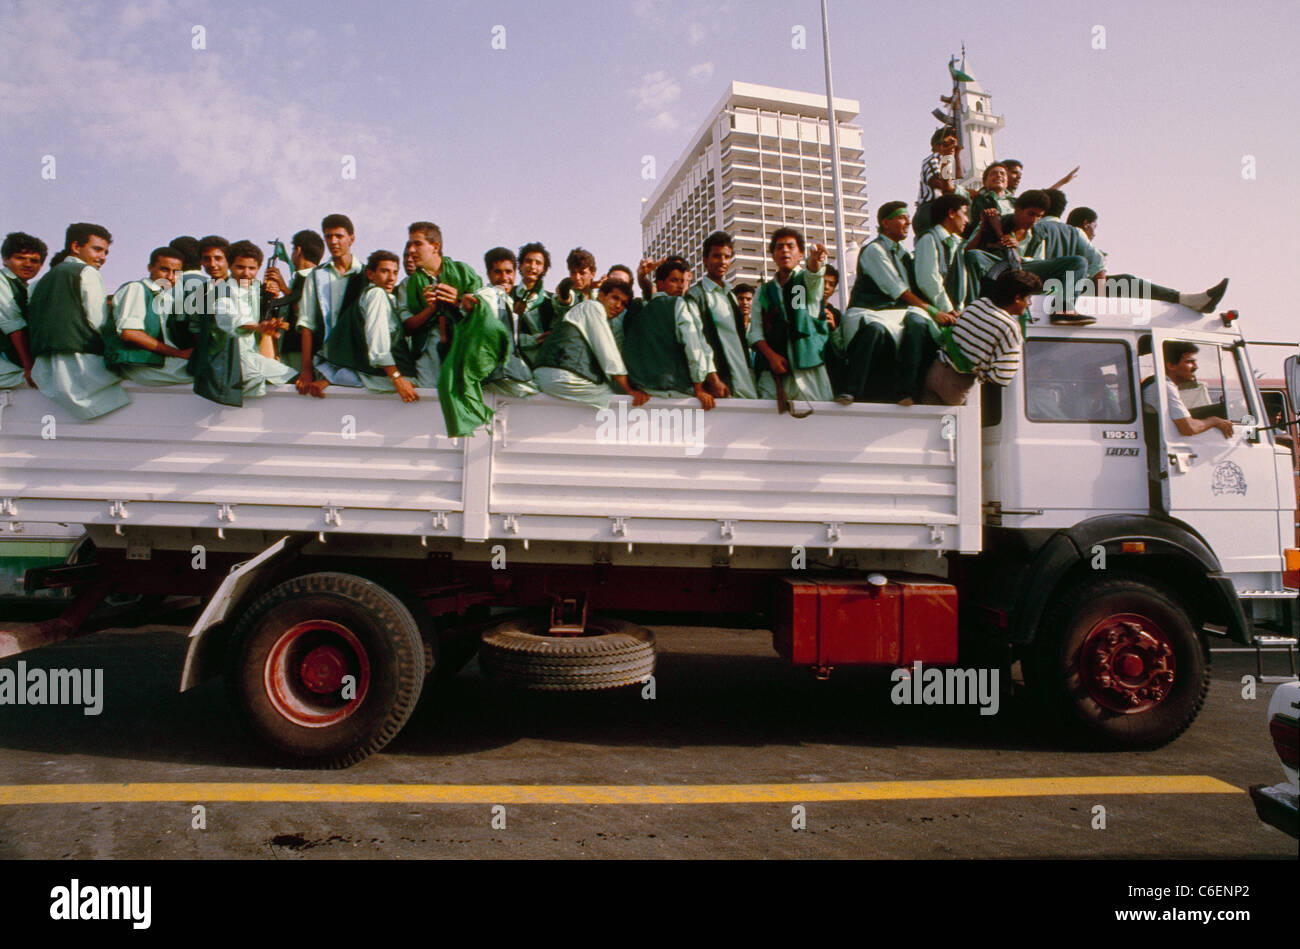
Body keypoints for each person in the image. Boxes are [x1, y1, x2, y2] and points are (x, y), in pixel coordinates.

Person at [838, 202, 950, 405]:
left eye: (908, 217)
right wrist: (934, 311)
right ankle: (850, 389)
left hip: (896, 314)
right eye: (902, 217)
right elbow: (898, 289)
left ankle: (907, 391)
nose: (907, 221)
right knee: (875, 330)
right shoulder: (874, 250)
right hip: (869, 311)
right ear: (886, 223)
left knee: (918, 326)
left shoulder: (905, 255)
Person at [26, 223, 129, 419]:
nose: (103, 257)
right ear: (75, 246)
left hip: (44, 368)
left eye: (106, 252)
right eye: (97, 249)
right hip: (82, 364)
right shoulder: (87, 272)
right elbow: (97, 321)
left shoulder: (38, 283)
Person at [963, 190, 1092, 324]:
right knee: (974, 256)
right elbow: (967, 251)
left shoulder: (1038, 233)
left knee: (1079, 262)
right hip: (997, 269)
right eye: (1030, 214)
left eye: (1039, 216)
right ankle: (974, 309)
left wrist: (1017, 253)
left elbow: (1038, 263)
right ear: (1018, 209)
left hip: (1024, 271)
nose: (1034, 220)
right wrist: (984, 226)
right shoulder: (996, 222)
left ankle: (1063, 308)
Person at [1065, 208, 1228, 313]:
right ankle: (1185, 299)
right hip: (1070, 289)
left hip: (1064, 287)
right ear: (1086, 224)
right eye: (1094, 226)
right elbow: (1100, 285)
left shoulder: (1061, 236)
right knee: (1127, 282)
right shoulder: (1079, 239)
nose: (1094, 232)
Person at [919, 269, 1043, 406]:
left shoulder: (979, 304)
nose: (1029, 303)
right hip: (957, 384)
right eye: (1028, 298)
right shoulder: (1010, 327)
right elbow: (1002, 377)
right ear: (1017, 298)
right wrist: (983, 373)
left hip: (935, 369)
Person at [749, 227, 833, 416]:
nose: (785, 251)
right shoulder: (764, 292)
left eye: (790, 246)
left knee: (820, 420)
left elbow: (812, 280)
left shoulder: (801, 284)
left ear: (800, 253)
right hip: (775, 369)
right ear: (773, 255)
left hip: (807, 364)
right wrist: (772, 357)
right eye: (779, 247)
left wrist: (814, 262)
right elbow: (755, 332)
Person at [318, 250, 418, 402]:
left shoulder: (382, 297)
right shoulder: (376, 294)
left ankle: (336, 377)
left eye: (395, 273)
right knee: (422, 384)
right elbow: (377, 343)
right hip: (379, 376)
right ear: (371, 274)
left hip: (369, 373)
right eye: (384, 271)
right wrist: (397, 379)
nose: (391, 278)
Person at [622, 255, 721, 409]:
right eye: (674, 281)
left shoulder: (639, 310)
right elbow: (693, 346)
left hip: (644, 394)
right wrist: (699, 388)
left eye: (682, 281)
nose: (680, 286)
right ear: (660, 284)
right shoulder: (678, 304)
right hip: (676, 393)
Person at [534, 279, 647, 410]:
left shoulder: (582, 311)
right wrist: (630, 390)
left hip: (545, 375)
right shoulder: (593, 307)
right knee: (615, 399)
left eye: (623, 304)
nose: (618, 306)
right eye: (615, 298)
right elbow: (608, 354)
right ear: (601, 295)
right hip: (564, 377)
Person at [397, 221, 481, 389]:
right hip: (428, 355)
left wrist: (456, 302)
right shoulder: (408, 284)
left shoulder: (464, 272)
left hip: (462, 350)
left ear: (435, 246)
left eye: (417, 244)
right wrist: (432, 309)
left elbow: (483, 314)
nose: (411, 250)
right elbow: (406, 326)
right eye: (410, 244)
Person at [219, 241, 298, 396]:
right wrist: (258, 327)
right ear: (229, 265)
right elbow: (232, 318)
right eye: (240, 267)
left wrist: (271, 294)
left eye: (252, 268)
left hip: (255, 354)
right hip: (234, 356)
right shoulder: (221, 292)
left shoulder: (255, 288)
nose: (246, 273)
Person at [105, 246, 193, 385]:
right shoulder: (136, 289)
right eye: (164, 270)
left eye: (176, 272)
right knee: (205, 372)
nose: (170, 277)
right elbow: (130, 333)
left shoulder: (164, 297)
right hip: (137, 364)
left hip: (154, 360)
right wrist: (178, 354)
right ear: (150, 267)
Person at [684, 230, 756, 399]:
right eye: (717, 256)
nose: (723, 261)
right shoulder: (696, 295)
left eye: (727, 256)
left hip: (744, 382)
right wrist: (713, 378)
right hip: (720, 384)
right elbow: (697, 342)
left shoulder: (730, 294)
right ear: (705, 260)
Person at [297, 213, 364, 396]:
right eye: (328, 236)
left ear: (351, 239)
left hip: (357, 364)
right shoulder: (316, 276)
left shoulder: (366, 275)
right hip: (324, 363)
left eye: (339, 236)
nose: (333, 241)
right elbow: (307, 324)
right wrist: (306, 369)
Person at [478, 246, 539, 398]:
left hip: (503, 375)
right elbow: (480, 301)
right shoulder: (490, 293)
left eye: (508, 272)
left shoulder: (509, 301)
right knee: (539, 396)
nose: (504, 277)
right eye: (498, 272)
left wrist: (533, 340)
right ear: (489, 274)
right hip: (499, 372)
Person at [1143, 340, 1233, 439]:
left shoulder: (1159, 383)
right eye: (1189, 362)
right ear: (1171, 366)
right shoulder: (1163, 387)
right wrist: (1214, 420)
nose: (1196, 367)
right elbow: (1189, 428)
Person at [262, 229, 324, 371]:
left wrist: (284, 289)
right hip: (289, 350)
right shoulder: (299, 279)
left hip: (303, 353)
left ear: (298, 250)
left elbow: (307, 312)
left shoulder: (314, 278)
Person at [0, 231, 46, 389]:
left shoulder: (23, 288)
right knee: (30, 379)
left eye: (34, 261)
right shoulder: (1, 282)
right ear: (5, 259)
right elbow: (13, 325)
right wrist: (29, 367)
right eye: (20, 258)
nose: (28, 264)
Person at [914, 193, 972, 315]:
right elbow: (928, 280)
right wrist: (948, 309)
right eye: (964, 213)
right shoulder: (929, 239)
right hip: (932, 311)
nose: (967, 220)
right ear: (951, 213)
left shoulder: (958, 243)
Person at [914, 127, 962, 239]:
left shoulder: (946, 163)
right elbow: (936, 182)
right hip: (929, 209)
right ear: (936, 145)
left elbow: (958, 176)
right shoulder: (932, 159)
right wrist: (955, 190)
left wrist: (956, 154)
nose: (951, 146)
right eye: (947, 143)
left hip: (941, 212)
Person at [512, 241, 552, 366]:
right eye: (528, 261)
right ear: (520, 265)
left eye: (538, 263)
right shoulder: (508, 296)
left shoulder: (552, 300)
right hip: (518, 363)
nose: (532, 266)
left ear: (544, 269)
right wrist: (533, 340)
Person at [538, 247, 598, 330]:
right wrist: (563, 292)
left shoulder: (598, 298)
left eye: (582, 273)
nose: (577, 277)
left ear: (592, 274)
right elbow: (564, 299)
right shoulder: (568, 292)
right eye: (573, 272)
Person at [964, 163, 1013, 237]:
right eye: (993, 173)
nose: (999, 175)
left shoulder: (1015, 203)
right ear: (984, 182)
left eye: (1002, 174)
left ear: (1007, 181)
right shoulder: (974, 199)